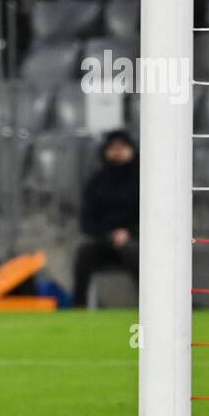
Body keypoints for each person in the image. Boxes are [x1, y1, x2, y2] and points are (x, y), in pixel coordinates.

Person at [73, 129, 139, 307]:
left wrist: (130, 232)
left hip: (136, 240)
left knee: (136, 252)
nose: (117, 152)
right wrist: (109, 235)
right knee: (84, 254)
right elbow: (87, 221)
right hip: (105, 241)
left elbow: (153, 216)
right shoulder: (96, 182)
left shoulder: (144, 180)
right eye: (112, 147)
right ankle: (79, 307)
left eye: (122, 147)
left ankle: (151, 306)